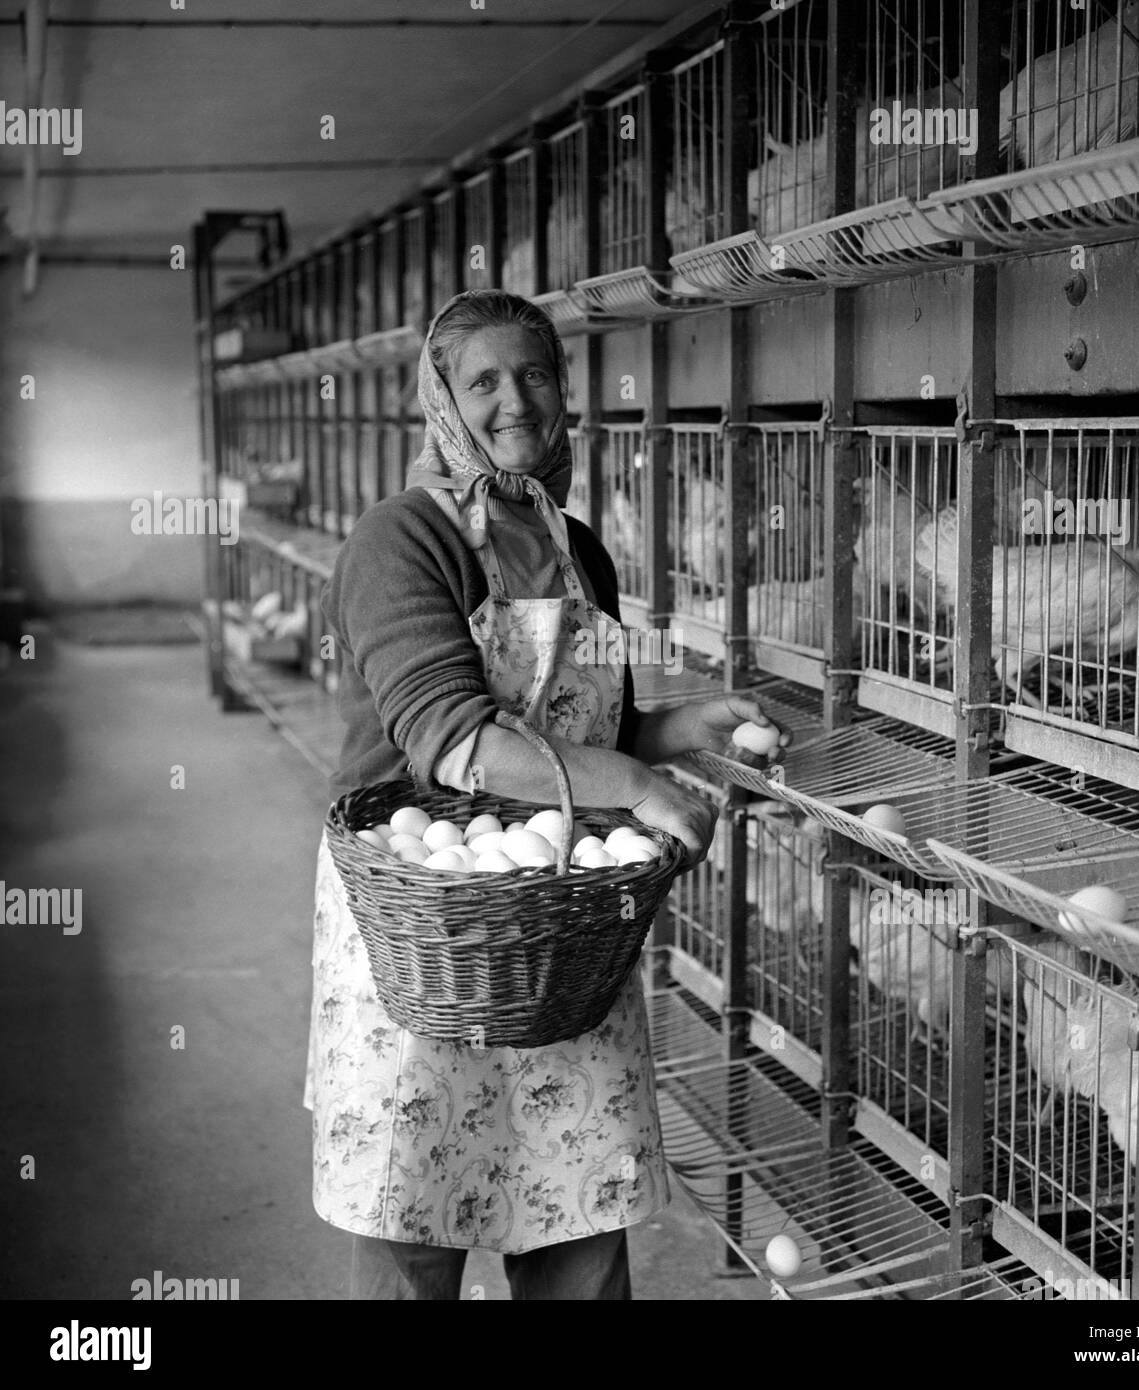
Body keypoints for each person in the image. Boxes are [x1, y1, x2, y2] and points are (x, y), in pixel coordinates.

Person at [304, 287, 782, 1301]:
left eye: (534, 374)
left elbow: (580, 730)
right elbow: (455, 740)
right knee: (414, 1196)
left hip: (555, 920)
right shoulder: (401, 540)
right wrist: (634, 782)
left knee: (576, 1193)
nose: (513, 401)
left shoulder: (577, 546)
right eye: (481, 381)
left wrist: (679, 729)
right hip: (427, 917)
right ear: (440, 400)